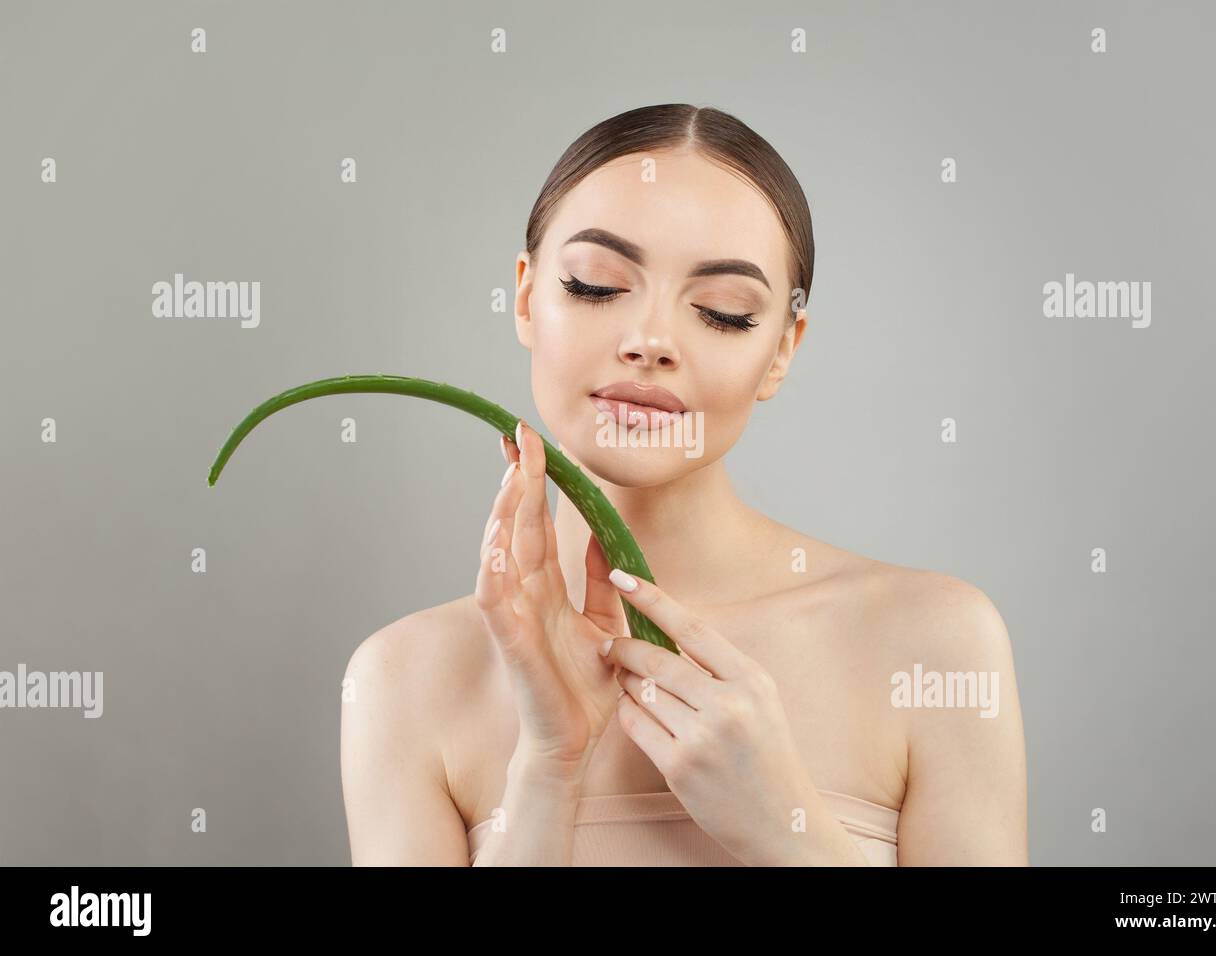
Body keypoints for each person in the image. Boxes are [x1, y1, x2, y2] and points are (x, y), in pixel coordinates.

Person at [340, 103, 1028, 866]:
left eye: (723, 313)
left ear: (781, 351)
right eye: (596, 286)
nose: (650, 342)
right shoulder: (403, 678)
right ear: (527, 296)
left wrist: (785, 827)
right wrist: (548, 770)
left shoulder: (935, 642)